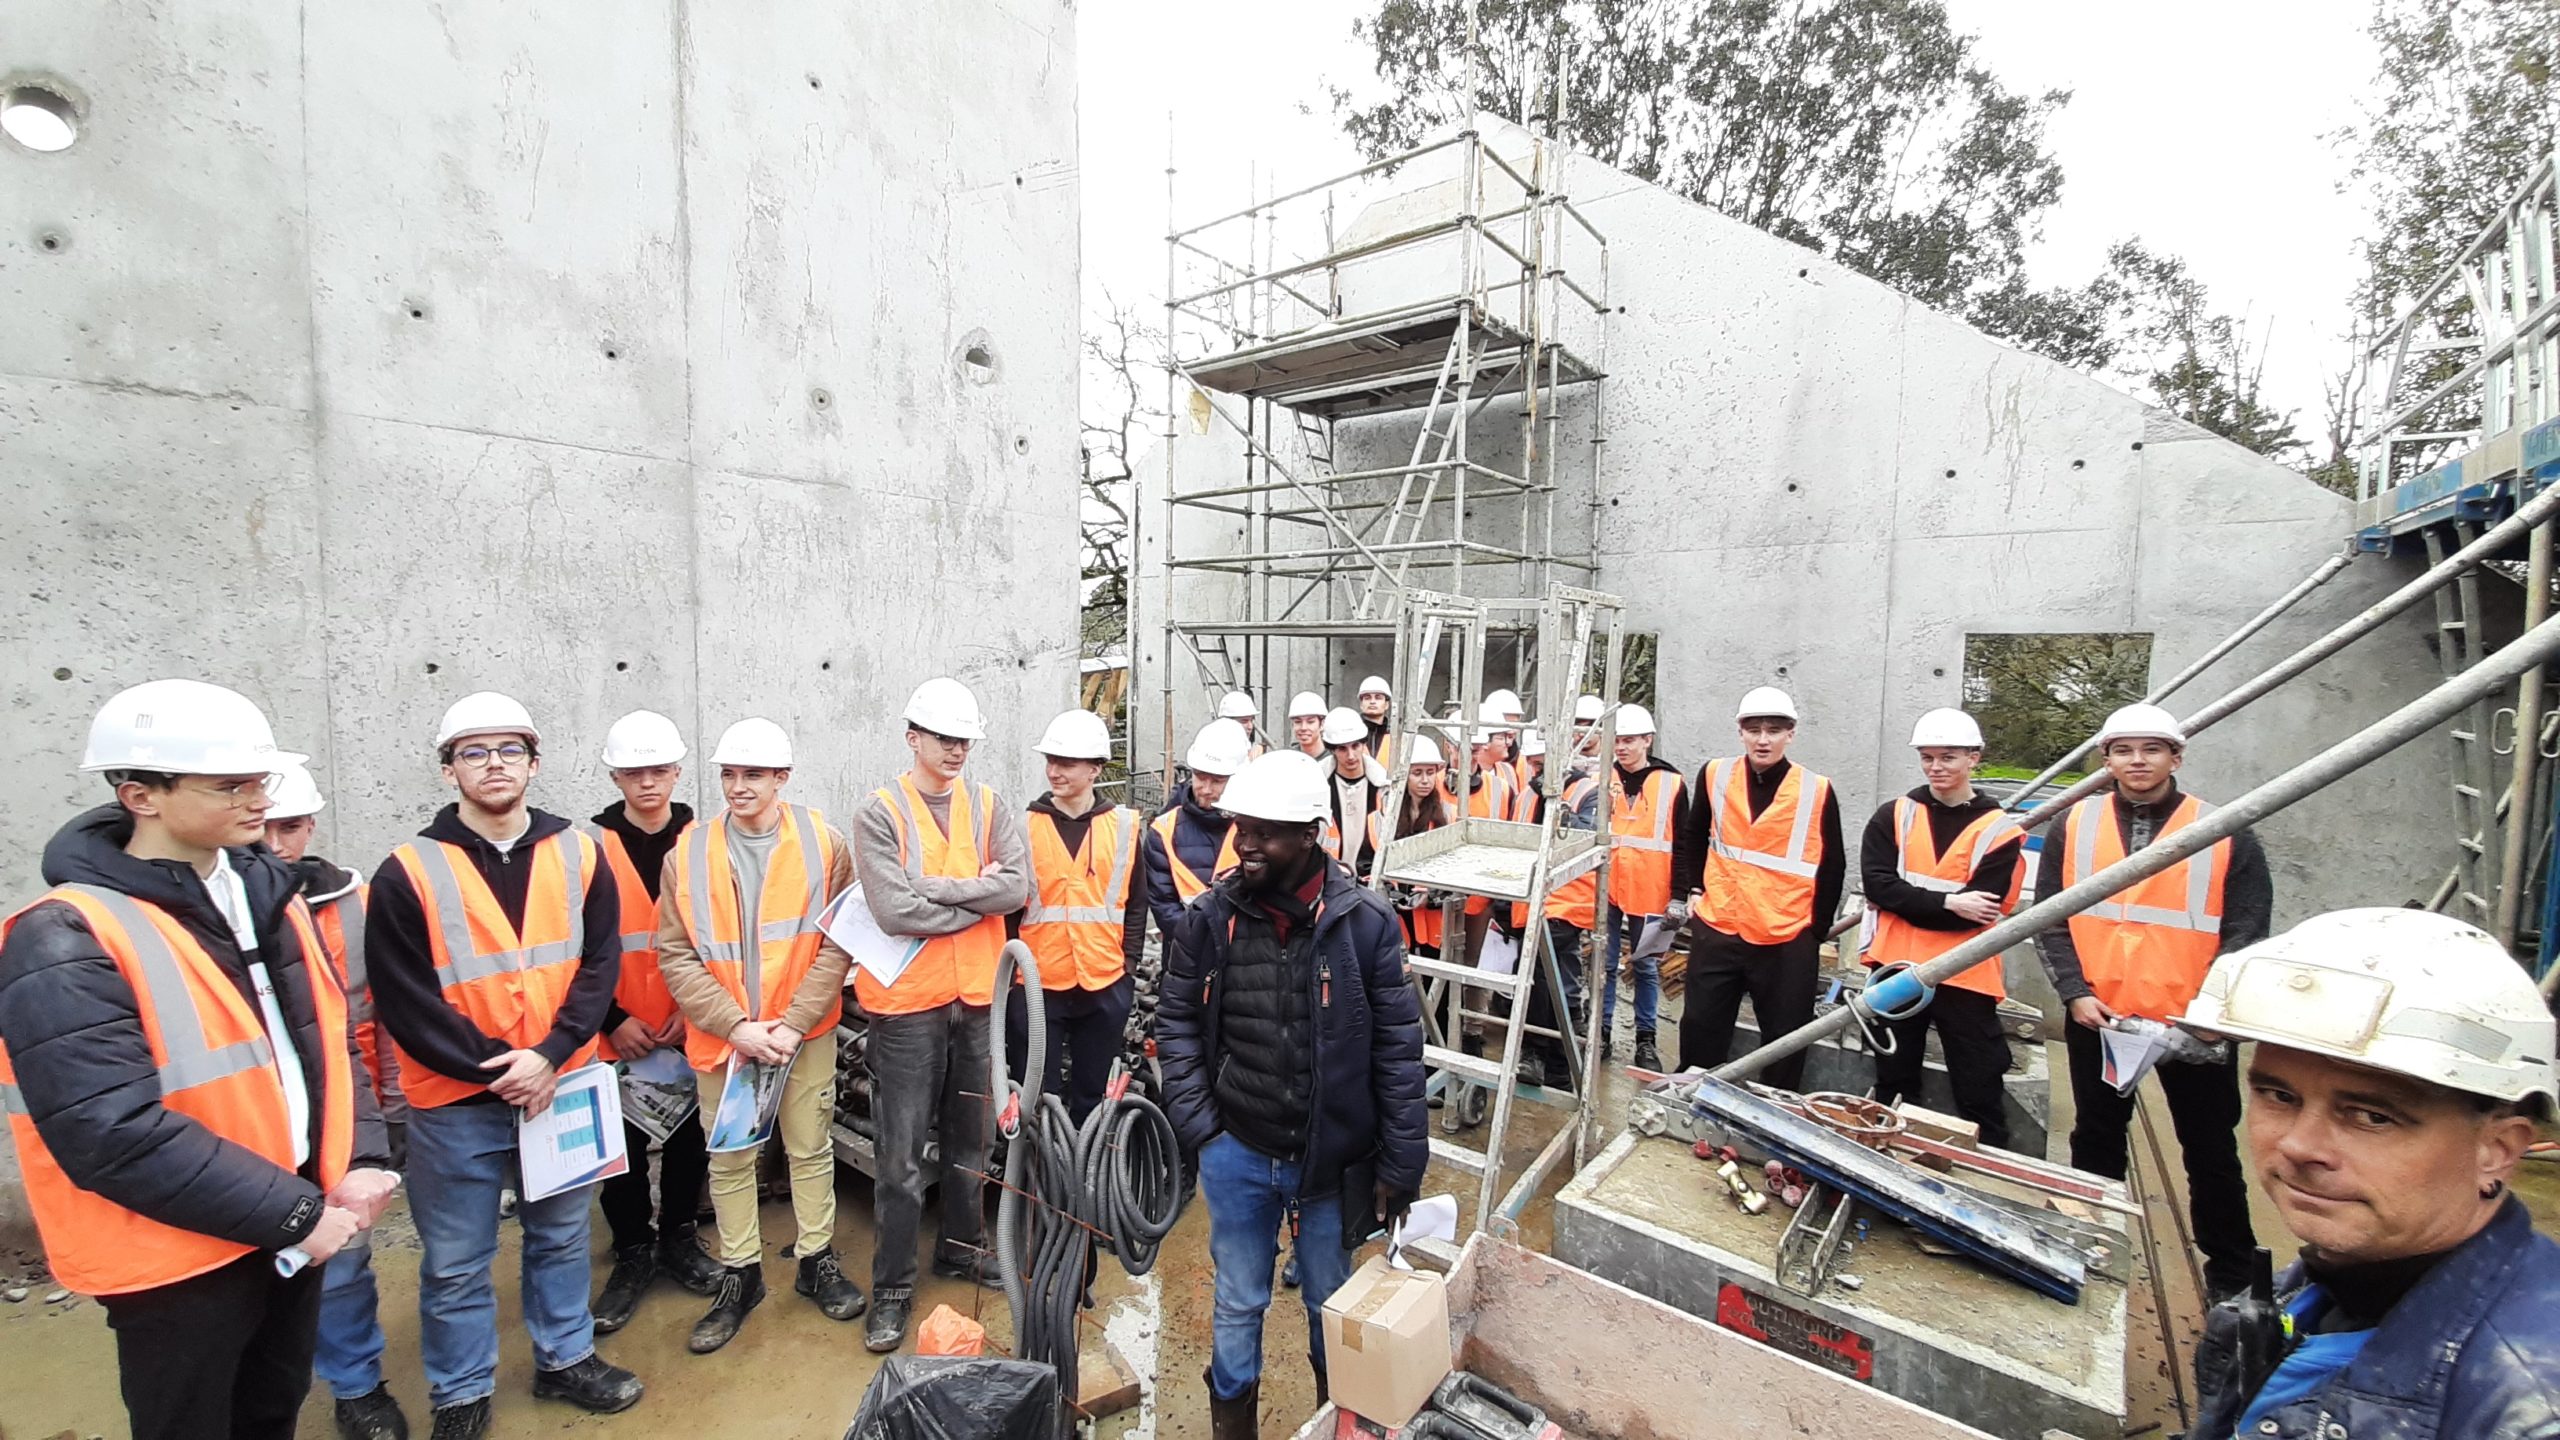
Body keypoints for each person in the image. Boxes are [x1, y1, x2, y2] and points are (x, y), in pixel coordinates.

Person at [0, 681, 394, 1440]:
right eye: (231, 786)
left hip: (289, 1227)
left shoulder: (265, 895)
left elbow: (331, 1040)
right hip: (178, 1263)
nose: (258, 801)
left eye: (261, 780)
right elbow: (110, 1133)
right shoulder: (63, 938)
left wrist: (364, 1154)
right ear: (139, 793)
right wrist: (297, 1212)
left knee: (269, 1413)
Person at [2175, 909, 2560, 1438]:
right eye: (2278, 1095)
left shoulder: (2528, 1409)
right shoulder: (2328, 1286)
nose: (2299, 1146)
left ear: (2496, 1150)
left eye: (2373, 1116)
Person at [368, 692, 642, 1436]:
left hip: (562, 1085)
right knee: (457, 1260)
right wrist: (502, 1066)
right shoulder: (407, 871)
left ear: (535, 762)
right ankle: (460, 1393)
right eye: (475, 752)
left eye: (509, 750)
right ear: (450, 768)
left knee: (559, 1237)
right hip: (457, 1103)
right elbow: (406, 998)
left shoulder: (580, 852)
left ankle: (565, 1359)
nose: (494, 765)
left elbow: (598, 963)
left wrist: (550, 1055)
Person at [1156, 751, 1427, 1439]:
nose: (1245, 841)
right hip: (1237, 1151)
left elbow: (1398, 1049)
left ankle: (1331, 1422)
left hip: (1328, 1166)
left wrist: (1401, 1163)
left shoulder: (1363, 923)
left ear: (1310, 834)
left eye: (1265, 831)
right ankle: (1233, 1426)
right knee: (1239, 1300)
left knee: (1329, 1306)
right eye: (1240, 825)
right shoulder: (1211, 919)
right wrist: (1202, 1129)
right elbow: (1178, 1020)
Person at [2037, 702, 2269, 1298]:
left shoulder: (2223, 827)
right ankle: (2092, 1249)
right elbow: (2051, 918)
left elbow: (2245, 934)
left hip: (2191, 1028)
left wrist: (2211, 1021)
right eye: (2123, 750)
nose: (2136, 761)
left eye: (2151, 750)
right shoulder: (2074, 825)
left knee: (2212, 1152)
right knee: (2096, 1139)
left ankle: (2232, 1278)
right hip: (2102, 1017)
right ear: (2106, 759)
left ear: (2176, 756)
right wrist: (2075, 993)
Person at [656, 718, 861, 1352]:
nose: (738, 786)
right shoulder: (686, 854)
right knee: (732, 1158)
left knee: (809, 1147)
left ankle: (815, 1260)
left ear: (782, 778)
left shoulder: (823, 844)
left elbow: (837, 940)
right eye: (728, 774)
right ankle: (740, 1275)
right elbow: (675, 954)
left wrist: (793, 1024)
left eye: (752, 775)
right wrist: (740, 1027)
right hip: (729, 1042)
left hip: (804, 1035)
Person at [852, 678, 1030, 1352]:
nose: (956, 749)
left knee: (972, 1144)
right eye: (943, 737)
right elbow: (892, 910)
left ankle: (962, 1247)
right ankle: (893, 1289)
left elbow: (1016, 886)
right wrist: (975, 902)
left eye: (964, 739)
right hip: (906, 1011)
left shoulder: (989, 805)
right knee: (898, 1161)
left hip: (977, 1000)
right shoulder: (880, 812)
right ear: (912, 737)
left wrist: (935, 891)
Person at [263, 761, 409, 1440]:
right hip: (242, 1126)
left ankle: (356, 1387)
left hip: (338, 1122)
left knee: (341, 1261)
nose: (275, 845)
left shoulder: (349, 905)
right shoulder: (194, 911)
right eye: (265, 827)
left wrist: (389, 1118)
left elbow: (372, 1019)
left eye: (290, 827)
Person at [583, 710, 724, 1336]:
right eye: (634, 772)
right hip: (616, 1030)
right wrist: (614, 1019)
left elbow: (724, 936)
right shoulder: (585, 851)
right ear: (615, 775)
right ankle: (633, 1251)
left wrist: (689, 1012)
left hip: (690, 1021)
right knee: (622, 1150)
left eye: (659, 770)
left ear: (676, 770)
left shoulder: (707, 840)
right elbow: (572, 948)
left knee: (693, 1137)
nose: (648, 783)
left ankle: (680, 1240)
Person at [1856, 708, 2023, 1148]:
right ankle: (1884, 1156)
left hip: (1964, 972)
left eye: (1948, 757)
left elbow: (1984, 906)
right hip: (1897, 967)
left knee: (1979, 1081)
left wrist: (1905, 901)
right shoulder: (1894, 815)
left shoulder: (1999, 830)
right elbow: (1876, 885)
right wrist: (1949, 903)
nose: (1936, 767)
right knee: (1893, 1076)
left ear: (1974, 758)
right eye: (1928, 757)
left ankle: (1988, 1166)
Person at [1674, 686, 1843, 1093]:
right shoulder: (1716, 774)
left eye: (1773, 730)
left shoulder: (1816, 789)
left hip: (1784, 933)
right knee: (1701, 1025)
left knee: (1785, 1038)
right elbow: (1693, 835)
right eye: (1754, 729)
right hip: (1721, 924)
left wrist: (1815, 931)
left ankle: (1775, 1109)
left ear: (1791, 734)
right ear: (1741, 732)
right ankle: (1695, 1098)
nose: (1762, 739)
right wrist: (1692, 889)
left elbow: (1832, 864)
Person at [1011, 708, 1146, 1123]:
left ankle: (1086, 1182)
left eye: (1066, 763)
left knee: (1094, 1102)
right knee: (1036, 1100)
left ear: (1095, 769)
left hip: (1103, 983)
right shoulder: (1022, 827)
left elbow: (1137, 902)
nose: (1054, 771)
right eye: (1050, 761)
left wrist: (1128, 967)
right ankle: (1039, 1182)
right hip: (1036, 984)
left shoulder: (1123, 827)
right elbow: (1007, 910)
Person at [1600, 704, 1685, 1069]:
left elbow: (1684, 842)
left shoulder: (1672, 782)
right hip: (1606, 887)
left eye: (1629, 740)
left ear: (1647, 740)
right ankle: (1600, 1032)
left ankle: (1645, 1041)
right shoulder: (1604, 777)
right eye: (1617, 740)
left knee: (1647, 967)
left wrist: (1680, 895)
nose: (1621, 747)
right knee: (1602, 965)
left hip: (1652, 891)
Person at [1143, 719, 1249, 943]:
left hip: (1246, 961)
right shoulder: (1164, 831)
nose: (1206, 789)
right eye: (1200, 777)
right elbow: (1164, 906)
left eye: (1217, 781)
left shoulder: (1257, 827)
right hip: (1187, 956)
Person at [1384, 738, 1456, 957]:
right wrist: (1391, 893)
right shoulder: (1383, 816)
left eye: (1430, 772)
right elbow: (1369, 865)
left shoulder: (1449, 814)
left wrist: (1433, 894)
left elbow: (1456, 871)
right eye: (1417, 773)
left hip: (1434, 921)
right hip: (1395, 918)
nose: (1425, 780)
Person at [1318, 706, 1385, 878]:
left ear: (1364, 744)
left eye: (1355, 746)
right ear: (1332, 749)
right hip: (1330, 879)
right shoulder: (1319, 786)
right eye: (1342, 748)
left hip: (1372, 879)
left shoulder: (1383, 787)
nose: (1351, 755)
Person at [1355, 676, 1394, 767]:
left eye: (1378, 698)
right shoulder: (1351, 732)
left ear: (1387, 704)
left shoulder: (1395, 736)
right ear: (1361, 704)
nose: (1372, 702)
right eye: (1367, 698)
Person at [1217, 691, 1268, 759]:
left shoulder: (1248, 750)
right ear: (1226, 721)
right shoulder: (1216, 751)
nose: (1250, 727)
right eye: (1244, 721)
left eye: (1251, 720)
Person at [1286, 692, 1328, 759]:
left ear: (1322, 724)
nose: (1303, 728)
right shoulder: (1287, 759)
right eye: (1298, 722)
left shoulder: (1335, 760)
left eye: (1310, 722)